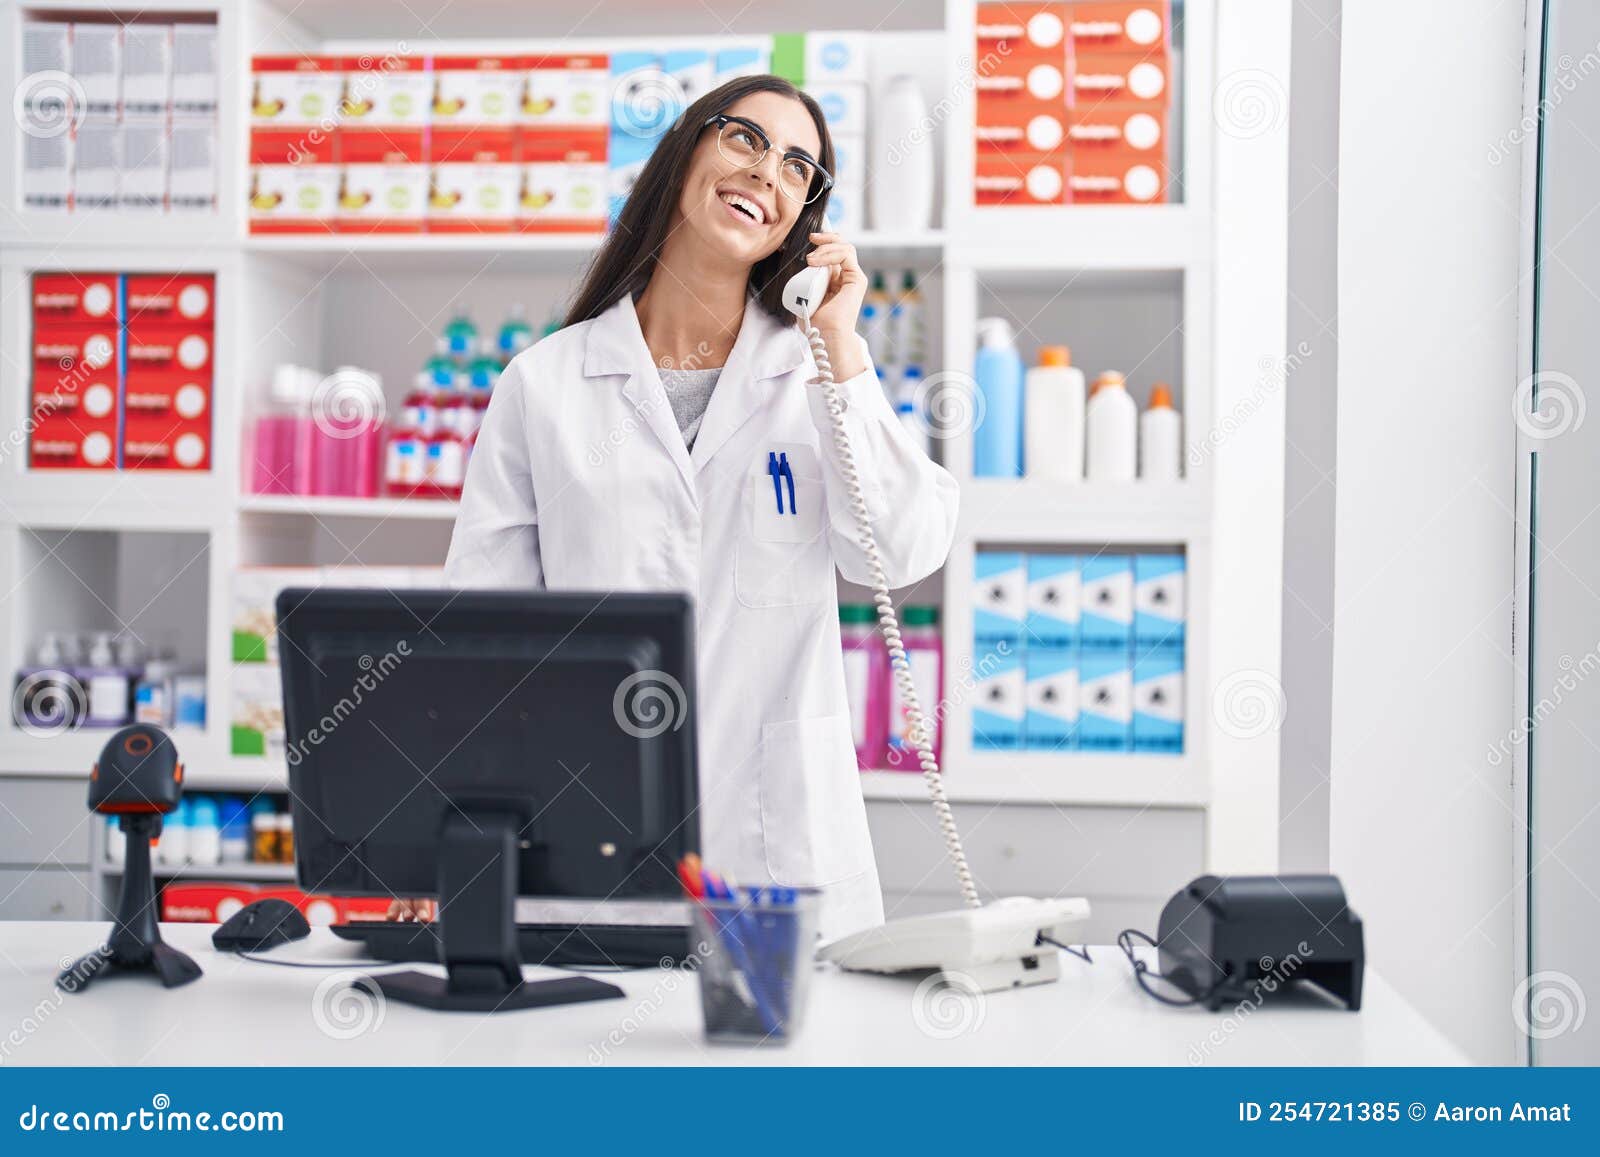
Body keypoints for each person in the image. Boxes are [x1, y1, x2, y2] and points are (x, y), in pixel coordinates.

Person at [395, 74, 958, 939]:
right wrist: (444, 845)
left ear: (805, 216)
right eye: (747, 140)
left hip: (779, 857)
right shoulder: (544, 385)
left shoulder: (817, 379)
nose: (769, 171)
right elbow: (480, 635)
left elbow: (904, 546)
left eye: (800, 165)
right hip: (585, 831)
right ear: (686, 151)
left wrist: (841, 346)